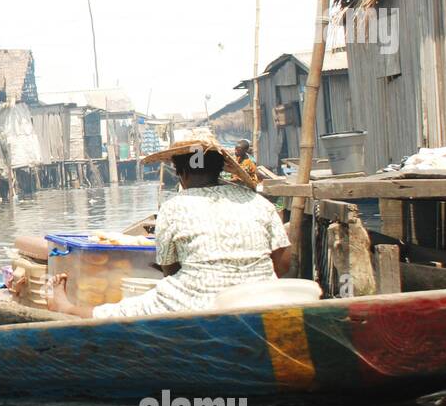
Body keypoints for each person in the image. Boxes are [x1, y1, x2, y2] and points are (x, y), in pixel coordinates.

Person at [49, 136, 291, 319]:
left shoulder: (173, 207)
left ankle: (67, 308)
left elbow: (170, 271)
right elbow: (283, 263)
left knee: (125, 310)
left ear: (180, 173)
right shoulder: (258, 202)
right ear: (220, 170)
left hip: (196, 303)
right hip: (260, 298)